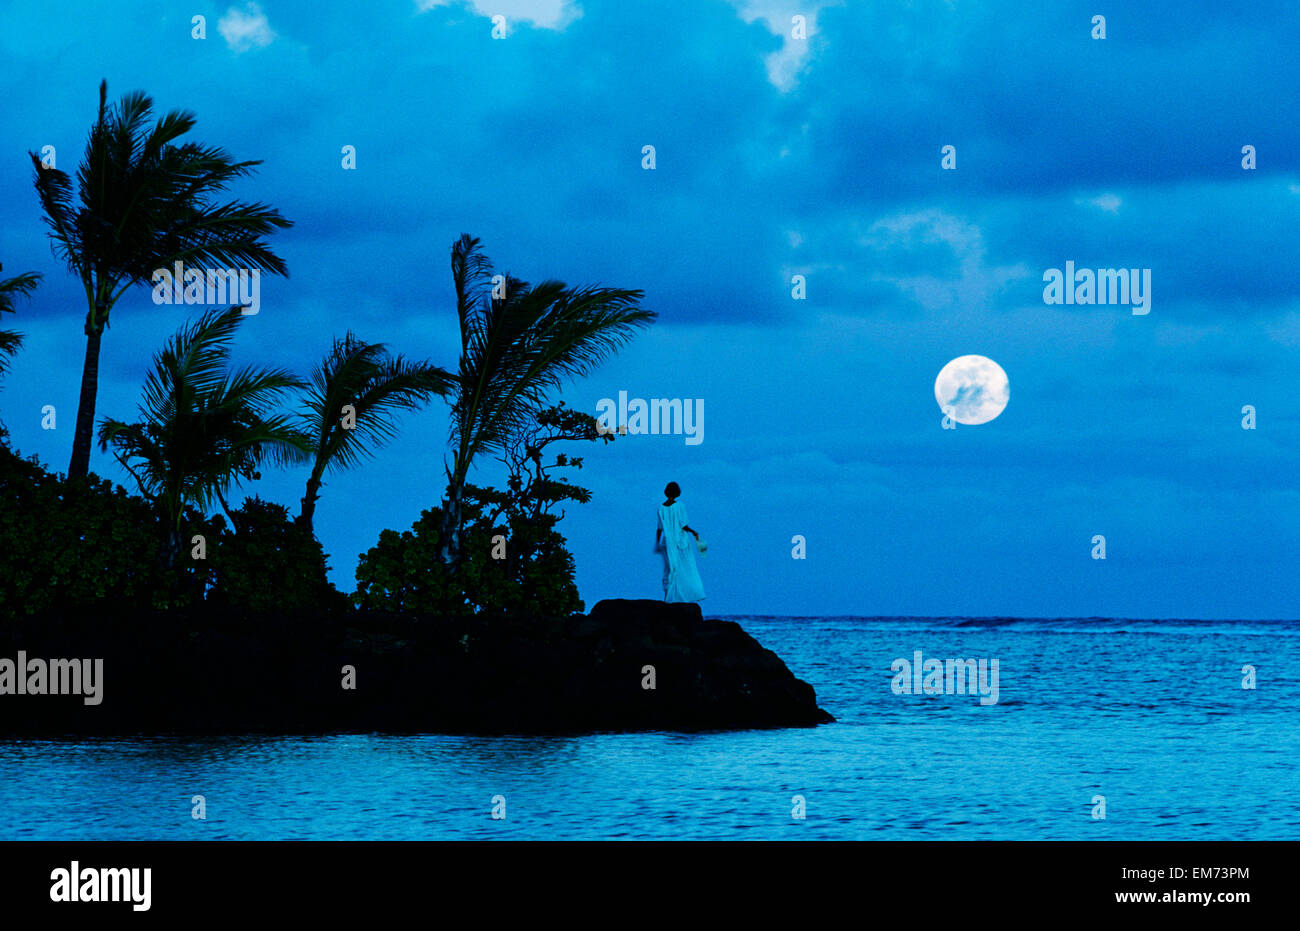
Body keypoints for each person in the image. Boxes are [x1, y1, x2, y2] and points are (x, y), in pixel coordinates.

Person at [655, 481, 705, 603]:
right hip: (679, 542)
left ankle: (668, 596)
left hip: (667, 543)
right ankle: (680, 597)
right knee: (685, 568)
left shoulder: (661, 508)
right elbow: (683, 525)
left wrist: (657, 544)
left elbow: (659, 528)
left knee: (669, 569)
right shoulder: (680, 506)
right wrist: (694, 532)